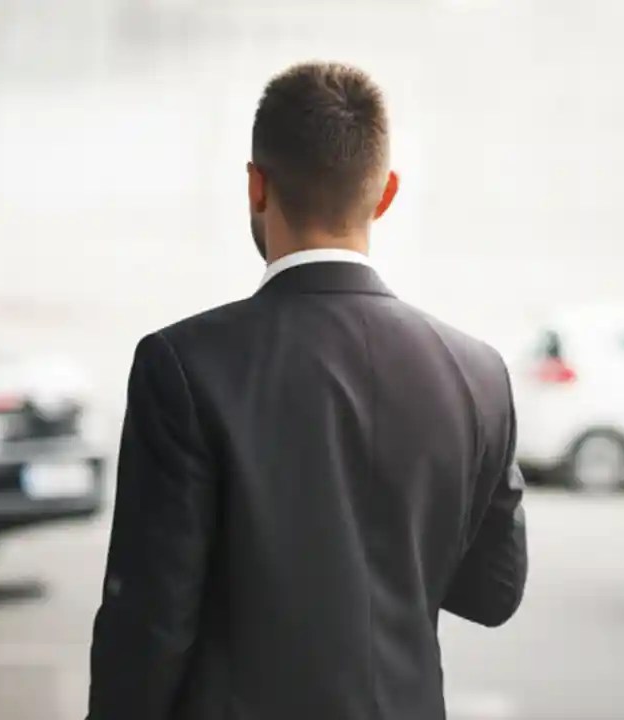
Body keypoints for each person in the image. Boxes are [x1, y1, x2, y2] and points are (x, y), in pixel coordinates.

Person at [87, 61, 527, 720]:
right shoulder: (478, 373)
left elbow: (150, 619)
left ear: (256, 186)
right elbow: (494, 592)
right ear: (385, 193)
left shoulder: (182, 365)